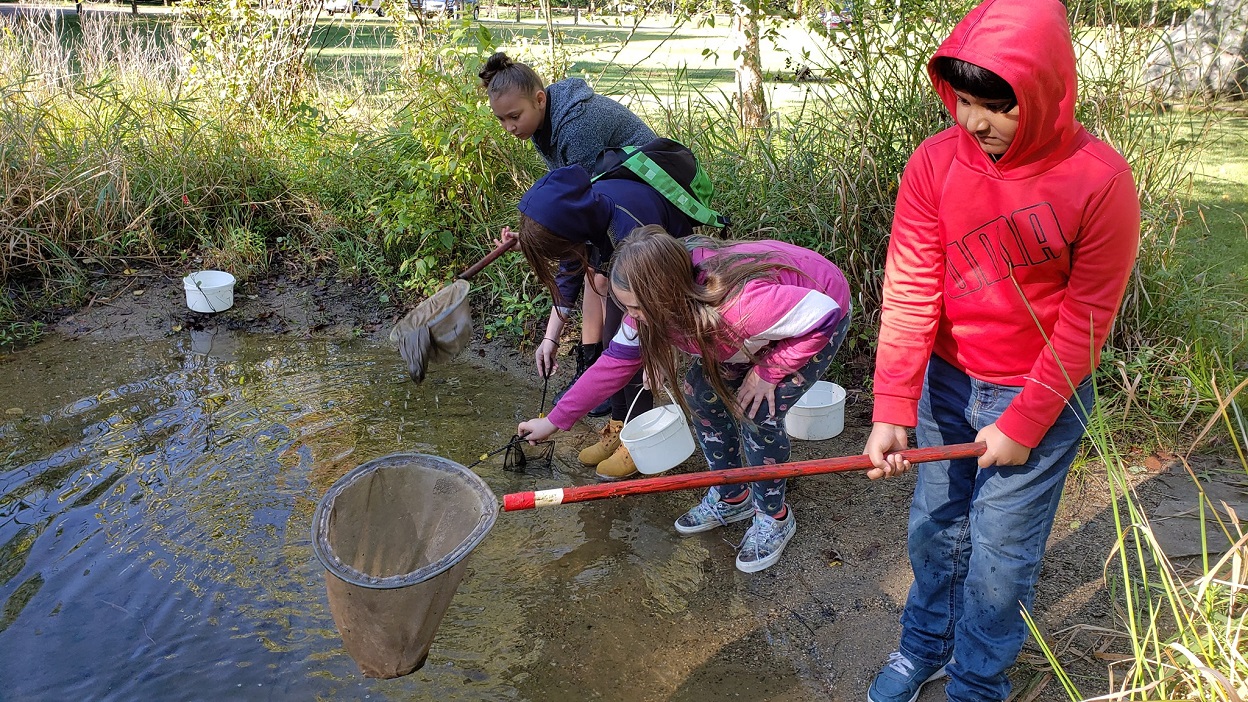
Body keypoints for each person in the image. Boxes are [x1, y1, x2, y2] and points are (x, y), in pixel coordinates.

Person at [861, 1, 1141, 701]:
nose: (974, 121)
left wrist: (1023, 422)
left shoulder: (1100, 179)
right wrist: (892, 406)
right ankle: (922, 647)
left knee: (1000, 555)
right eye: (962, 101)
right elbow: (912, 288)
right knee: (934, 528)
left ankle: (978, 680)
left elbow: (1086, 317)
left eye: (996, 106)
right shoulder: (933, 163)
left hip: (1040, 391)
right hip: (948, 384)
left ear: (1047, 95)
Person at [519, 226, 853, 572]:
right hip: (763, 320)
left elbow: (823, 313)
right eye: (627, 307)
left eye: (636, 308)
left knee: (755, 412)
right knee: (699, 391)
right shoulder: (654, 299)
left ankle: (774, 517)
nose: (632, 318)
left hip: (816, 310)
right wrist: (554, 421)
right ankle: (731, 496)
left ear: (664, 297)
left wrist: (768, 370)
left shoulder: (739, 307)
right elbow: (615, 364)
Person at [479, 51, 657, 411]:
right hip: (609, 194)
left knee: (604, 276)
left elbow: (582, 210)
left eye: (514, 117)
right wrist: (534, 234)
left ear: (540, 99)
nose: (510, 127)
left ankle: (615, 376)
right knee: (592, 269)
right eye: (501, 120)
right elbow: (567, 205)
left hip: (645, 193)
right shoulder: (542, 125)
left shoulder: (577, 127)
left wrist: (557, 237)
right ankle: (591, 366)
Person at [502, 166, 699, 479]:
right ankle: (619, 428)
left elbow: (656, 303)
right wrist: (550, 338)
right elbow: (569, 272)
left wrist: (657, 353)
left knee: (633, 356)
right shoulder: (578, 219)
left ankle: (635, 441)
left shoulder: (628, 220)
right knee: (612, 343)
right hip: (628, 274)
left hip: (658, 272)